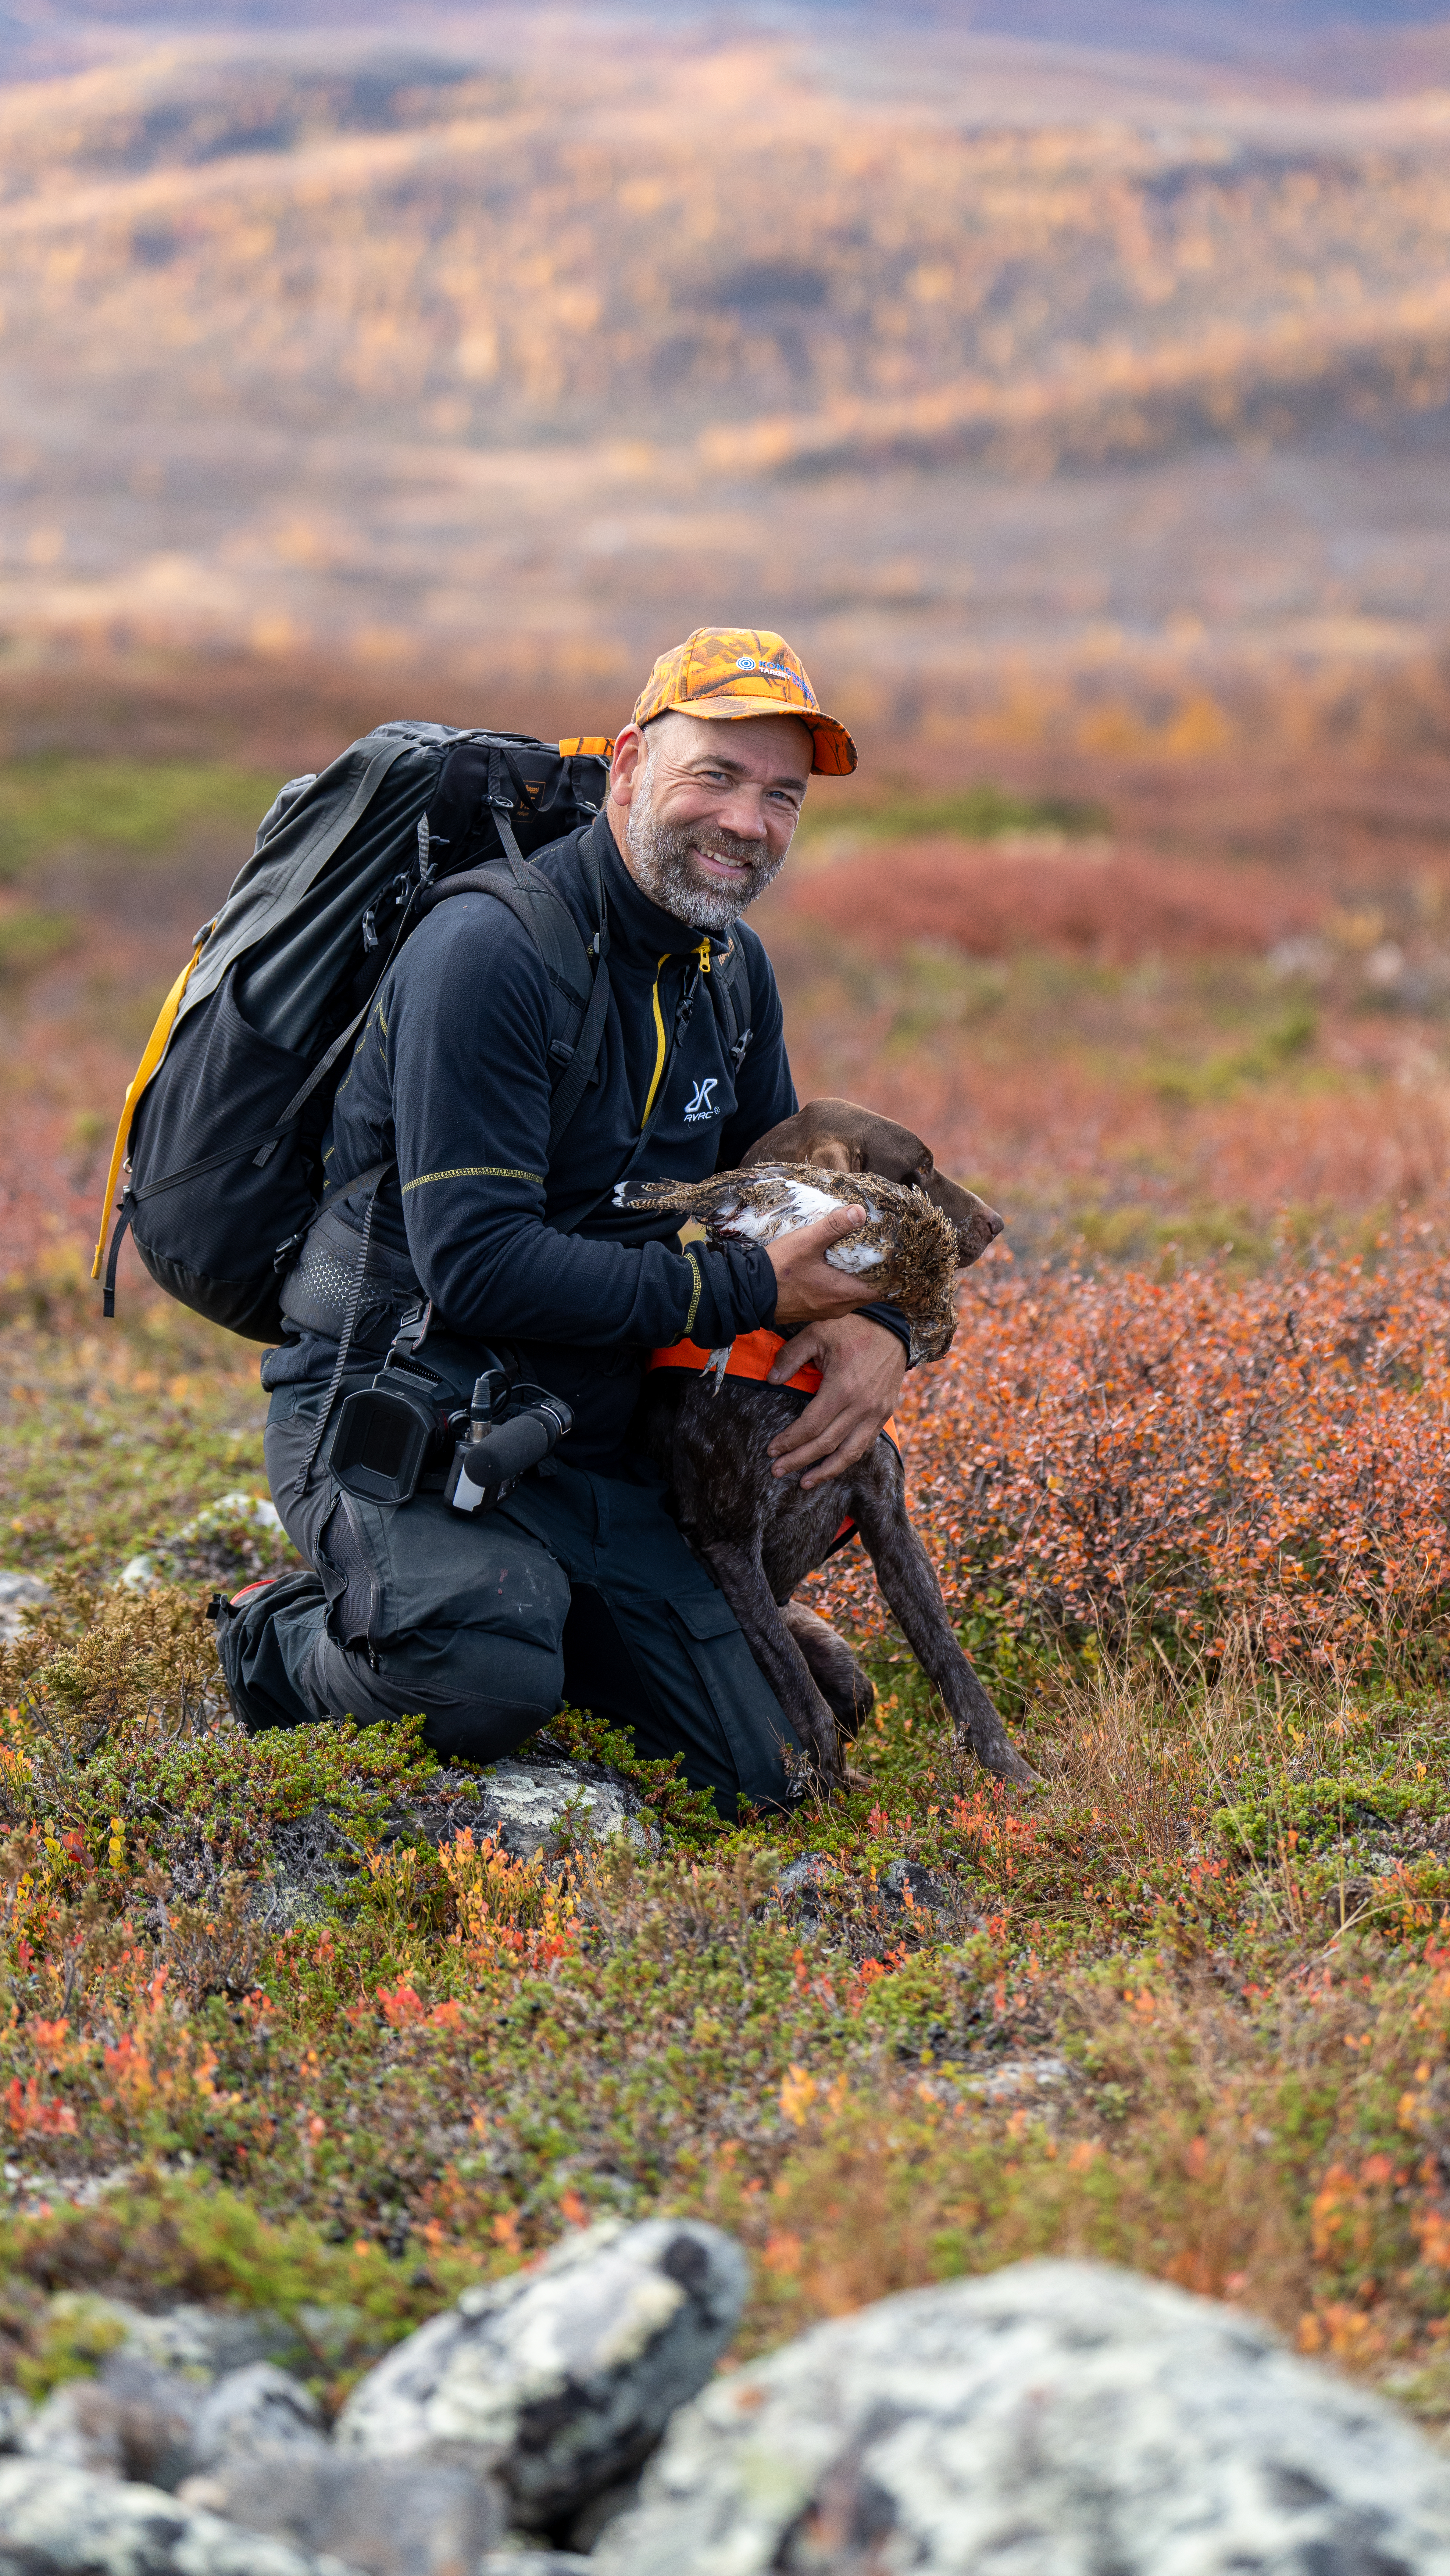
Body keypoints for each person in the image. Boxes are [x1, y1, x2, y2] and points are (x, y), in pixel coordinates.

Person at [223, 628, 908, 1813]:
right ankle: (275, 1639)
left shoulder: (728, 971)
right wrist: (757, 1295)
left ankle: (537, 1608)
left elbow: (779, 1194)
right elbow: (478, 1268)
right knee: (483, 1680)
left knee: (771, 1773)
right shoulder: (490, 951)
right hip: (397, 1419)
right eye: (718, 775)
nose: (749, 822)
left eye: (782, 795)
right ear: (633, 761)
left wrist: (881, 1318)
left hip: (584, 1440)